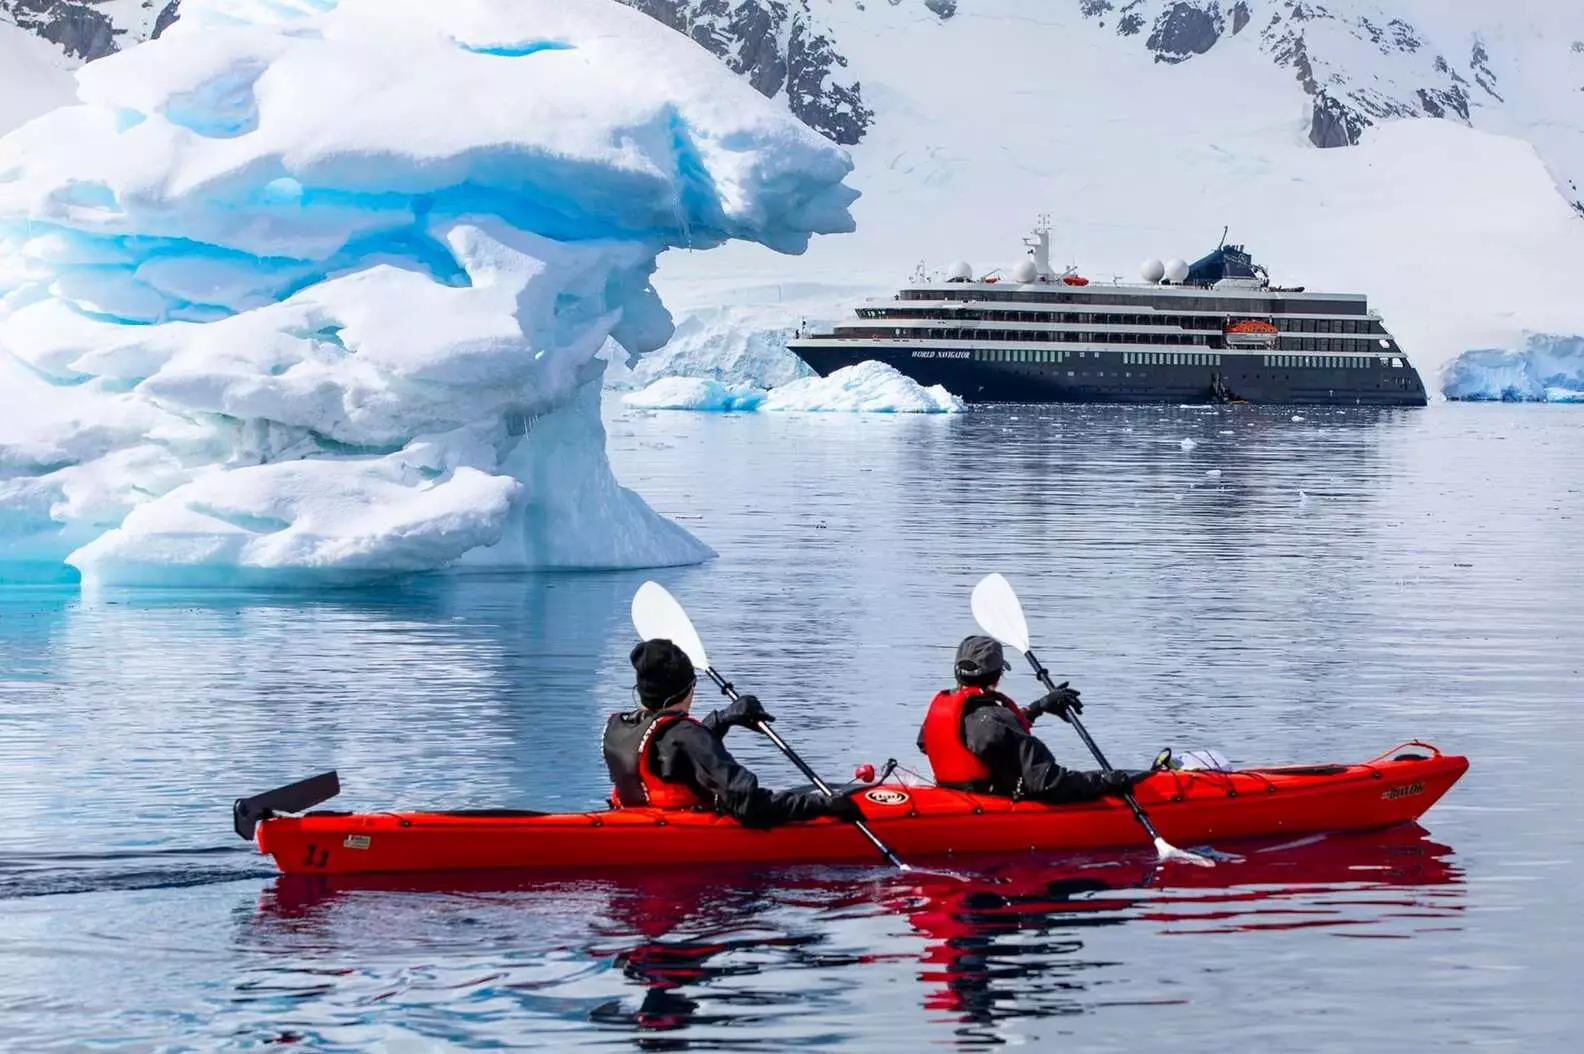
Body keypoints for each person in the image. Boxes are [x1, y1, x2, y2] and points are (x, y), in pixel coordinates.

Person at [604, 638, 864, 828]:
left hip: (635, 820)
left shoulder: (619, 726)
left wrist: (723, 719)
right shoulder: (689, 736)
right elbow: (749, 805)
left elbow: (674, 751)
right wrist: (822, 805)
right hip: (688, 833)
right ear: (688, 688)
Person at [916, 635, 1148, 803]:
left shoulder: (941, 713)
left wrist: (1039, 707)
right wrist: (1105, 783)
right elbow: (1048, 782)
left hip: (953, 796)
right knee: (1104, 780)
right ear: (997, 676)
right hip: (993, 806)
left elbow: (982, 732)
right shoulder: (995, 721)